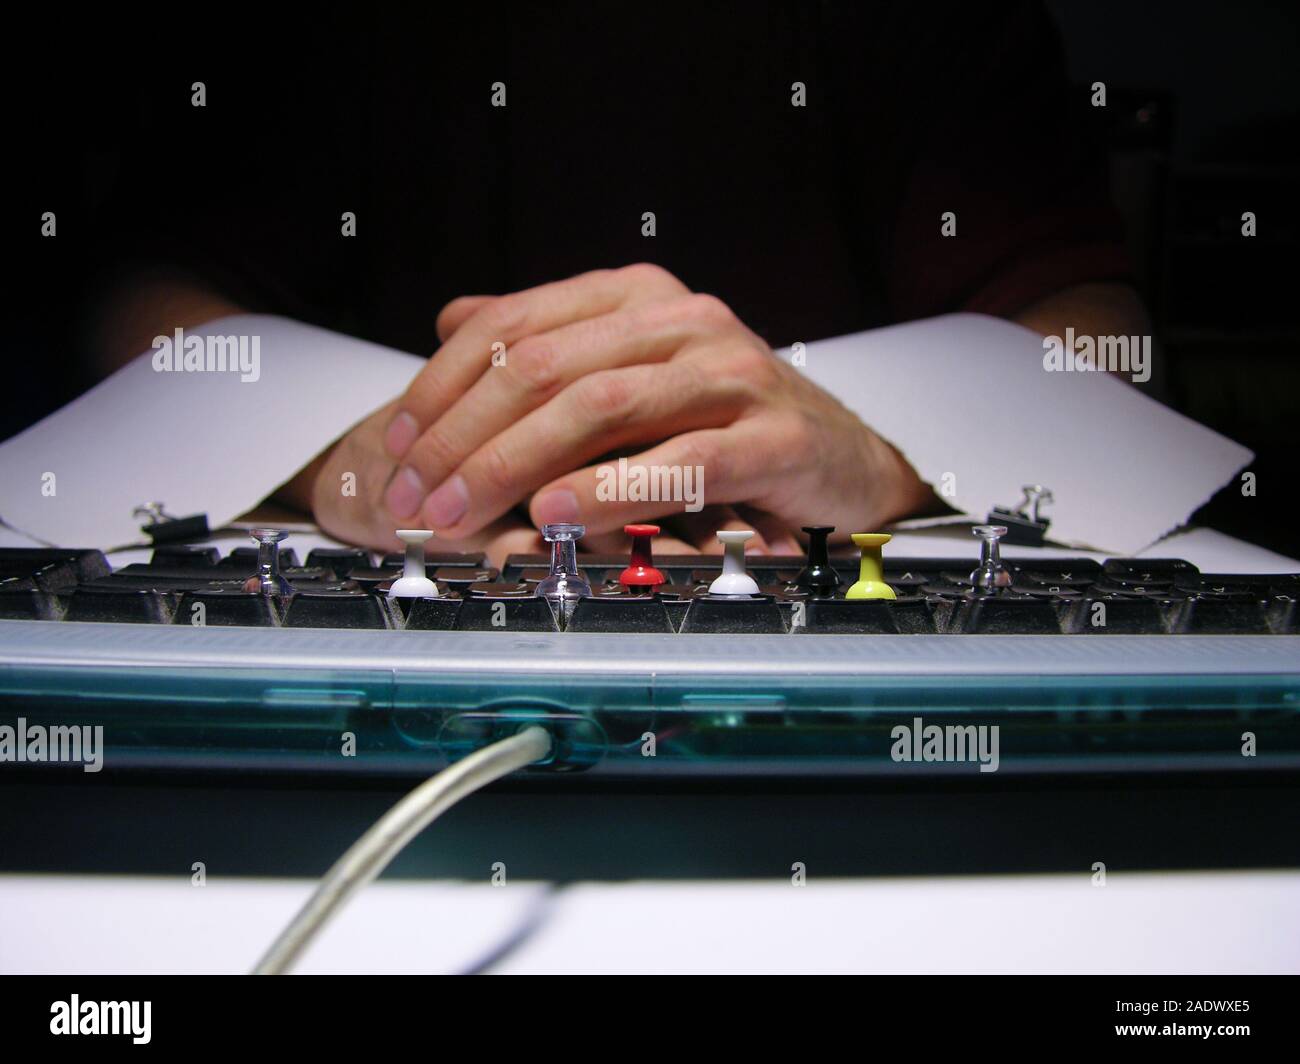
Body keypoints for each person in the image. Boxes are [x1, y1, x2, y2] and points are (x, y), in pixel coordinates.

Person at [83, 3, 1148, 562]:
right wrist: (382, 440)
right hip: (425, 542)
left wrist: (878, 449)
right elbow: (139, 294)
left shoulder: (924, 21)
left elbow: (1103, 338)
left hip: (794, 552)